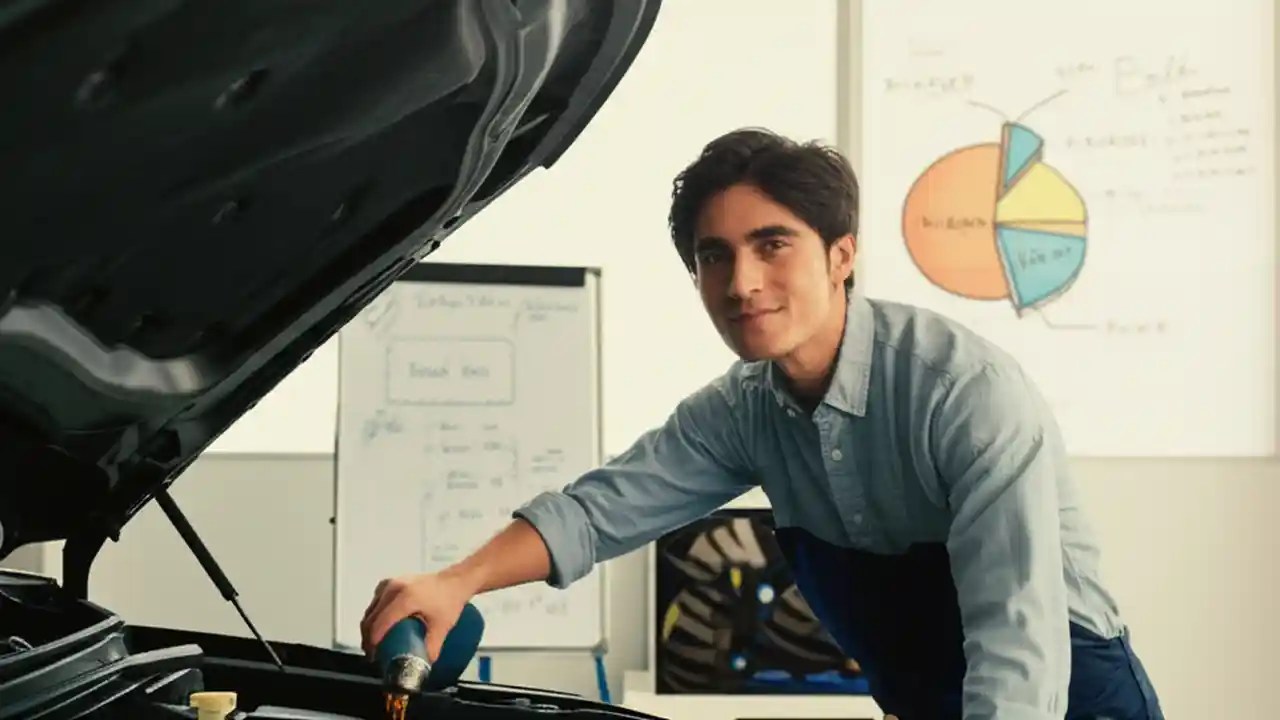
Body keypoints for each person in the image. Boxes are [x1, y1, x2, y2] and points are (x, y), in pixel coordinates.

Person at [360, 128, 1163, 719]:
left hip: (1066, 697)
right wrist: (454, 581)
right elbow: (597, 510)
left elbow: (1016, 640)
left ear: (841, 255)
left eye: (772, 244)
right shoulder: (743, 410)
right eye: (715, 256)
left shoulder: (965, 395)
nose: (742, 282)